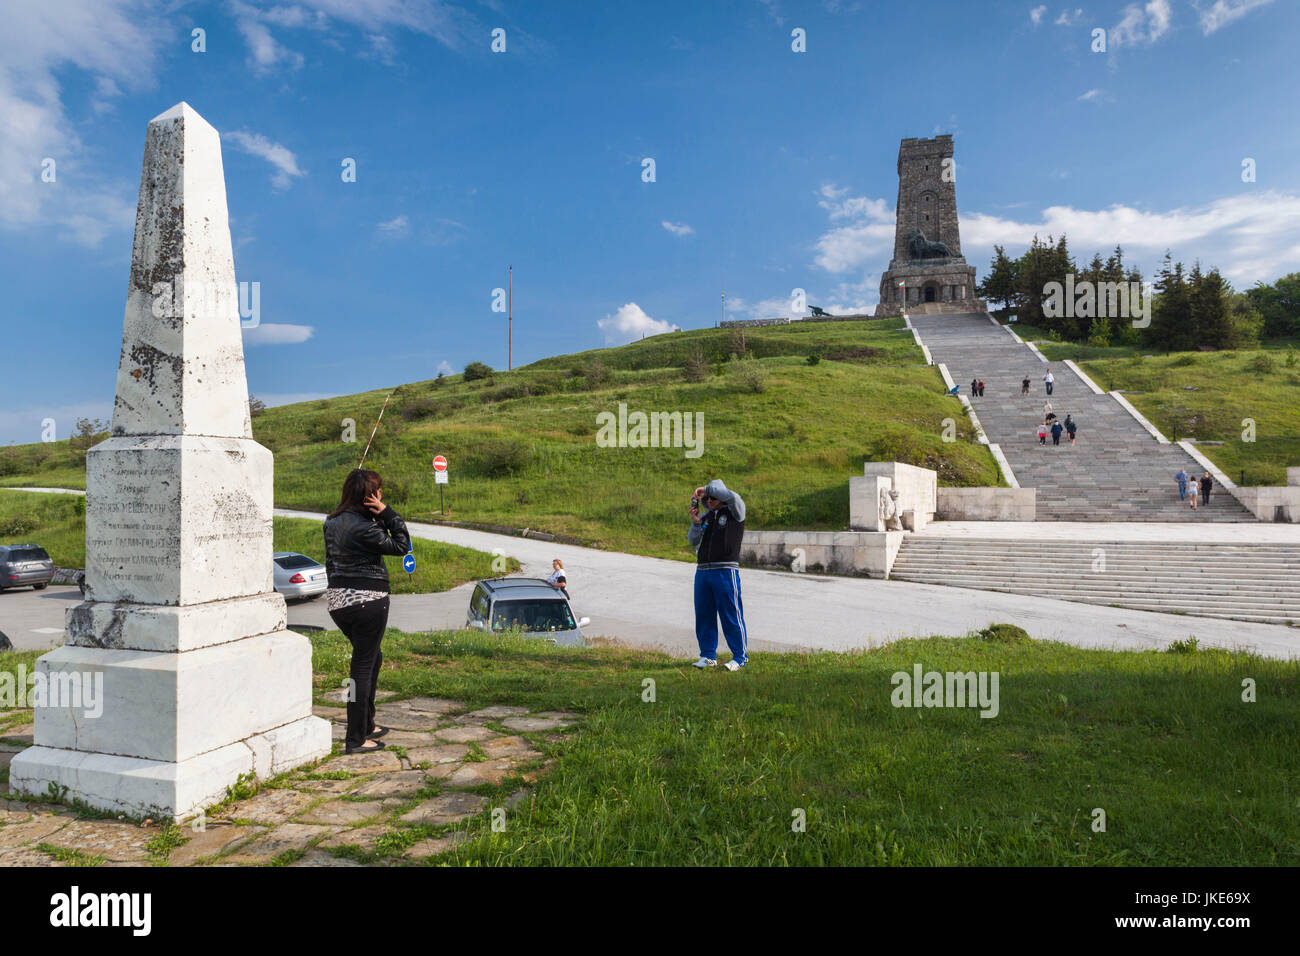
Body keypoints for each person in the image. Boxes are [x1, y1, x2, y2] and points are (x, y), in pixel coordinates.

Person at [322, 468, 411, 755]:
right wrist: (388, 513)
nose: (382, 495)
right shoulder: (367, 527)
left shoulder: (331, 521)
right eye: (379, 492)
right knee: (362, 666)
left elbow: (330, 561)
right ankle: (356, 738)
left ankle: (367, 724)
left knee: (372, 658)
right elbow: (402, 545)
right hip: (368, 600)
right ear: (371, 496)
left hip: (338, 601)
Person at [687, 479, 749, 671]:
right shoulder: (706, 518)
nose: (710, 500)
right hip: (703, 572)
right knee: (704, 615)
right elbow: (692, 540)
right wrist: (696, 523)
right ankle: (708, 656)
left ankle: (740, 657)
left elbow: (733, 496)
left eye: (714, 496)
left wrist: (706, 489)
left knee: (730, 614)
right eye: (707, 498)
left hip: (725, 571)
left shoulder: (735, 511)